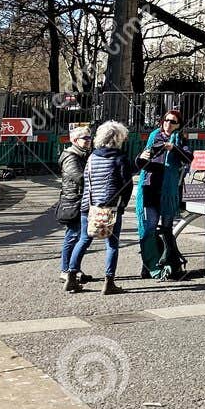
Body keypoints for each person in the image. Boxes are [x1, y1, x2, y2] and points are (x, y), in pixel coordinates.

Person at [70, 120, 137, 294]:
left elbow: (86, 180)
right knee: (112, 244)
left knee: (84, 240)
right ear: (118, 138)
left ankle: (70, 277)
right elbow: (127, 185)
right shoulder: (120, 158)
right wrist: (122, 204)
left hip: (89, 205)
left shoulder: (92, 156)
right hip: (110, 207)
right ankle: (109, 282)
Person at [136, 109, 190, 281]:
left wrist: (173, 148)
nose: (168, 124)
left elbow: (189, 158)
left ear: (179, 125)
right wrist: (141, 156)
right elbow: (141, 162)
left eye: (173, 121)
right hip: (150, 187)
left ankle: (172, 265)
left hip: (168, 191)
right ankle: (149, 266)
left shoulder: (180, 140)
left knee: (167, 230)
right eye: (166, 120)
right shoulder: (154, 136)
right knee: (148, 230)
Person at [56, 123, 94, 292]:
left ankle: (74, 268)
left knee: (79, 236)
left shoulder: (83, 154)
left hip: (80, 199)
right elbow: (79, 178)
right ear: (74, 140)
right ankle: (66, 270)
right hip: (73, 200)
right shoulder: (71, 157)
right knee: (73, 235)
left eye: (89, 137)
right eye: (85, 138)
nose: (88, 140)